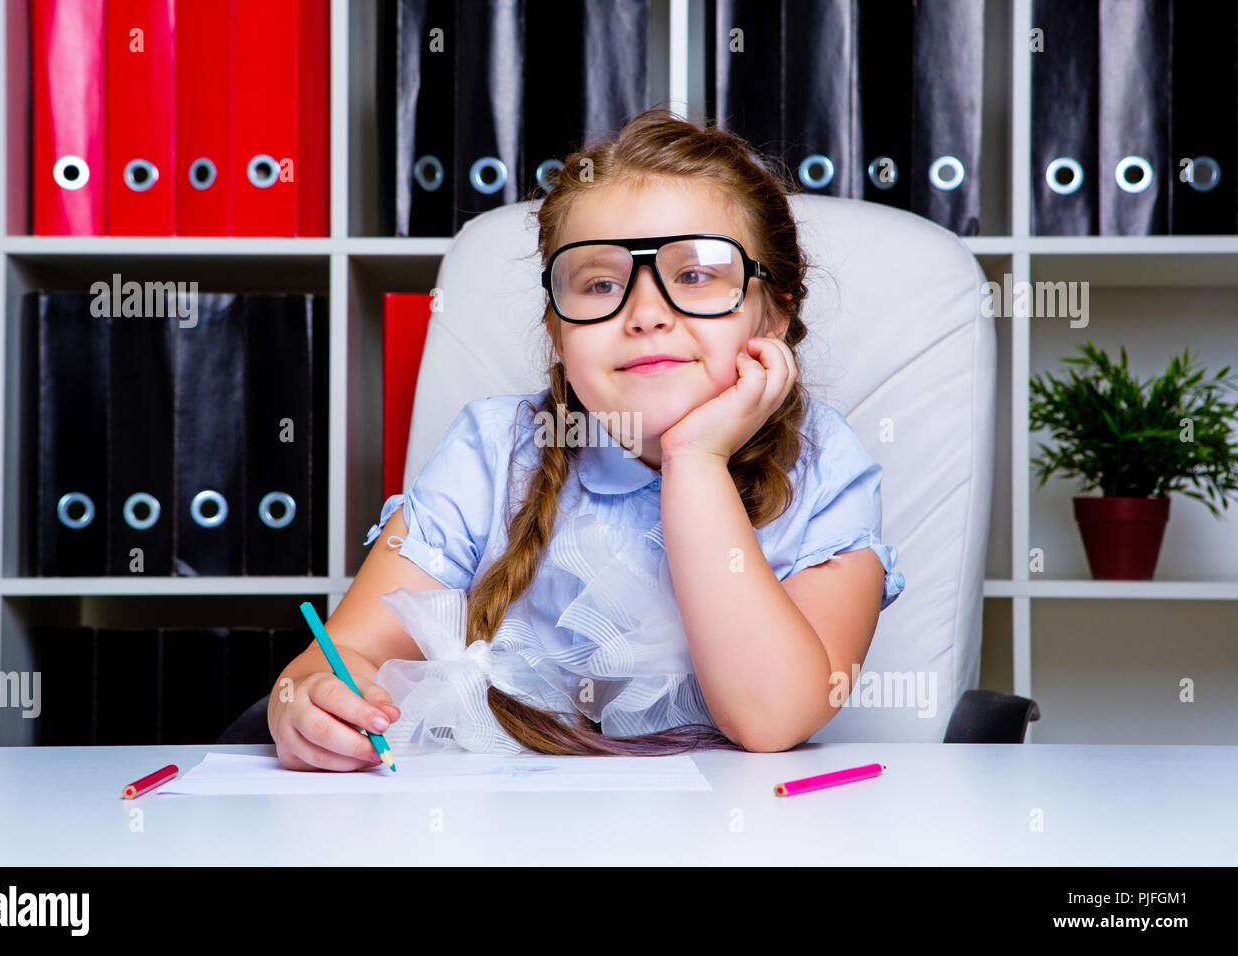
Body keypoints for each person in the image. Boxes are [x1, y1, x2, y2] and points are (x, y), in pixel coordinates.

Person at [268, 108, 905, 769]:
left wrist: (696, 459)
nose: (647, 314)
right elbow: (333, 662)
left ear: (774, 311)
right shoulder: (492, 452)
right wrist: (307, 702)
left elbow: (771, 717)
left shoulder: (826, 467)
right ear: (557, 328)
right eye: (601, 283)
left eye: (693, 276)